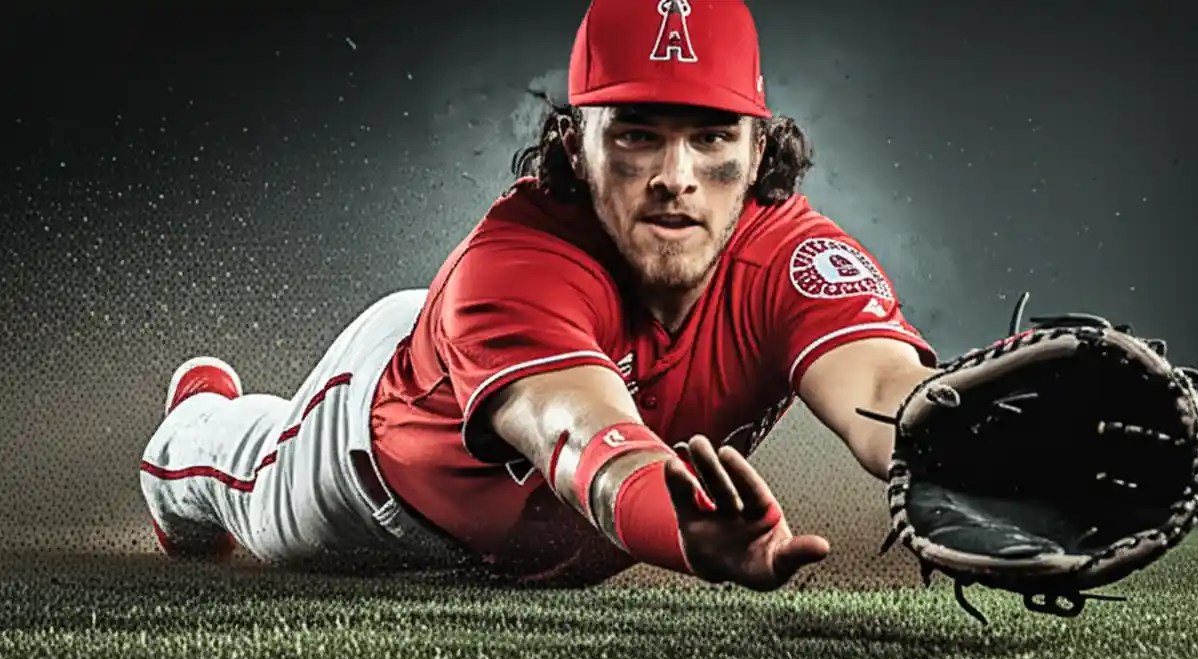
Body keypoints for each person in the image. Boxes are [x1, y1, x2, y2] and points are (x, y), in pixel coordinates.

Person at [139, 0, 940, 591]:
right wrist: (679, 526)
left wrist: (973, 451)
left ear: (757, 146)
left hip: (489, 391)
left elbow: (882, 391)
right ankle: (194, 423)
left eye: (711, 134)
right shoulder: (516, 262)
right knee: (233, 475)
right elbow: (580, 437)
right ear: (575, 143)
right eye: (636, 132)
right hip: (376, 470)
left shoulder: (794, 254)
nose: (676, 175)